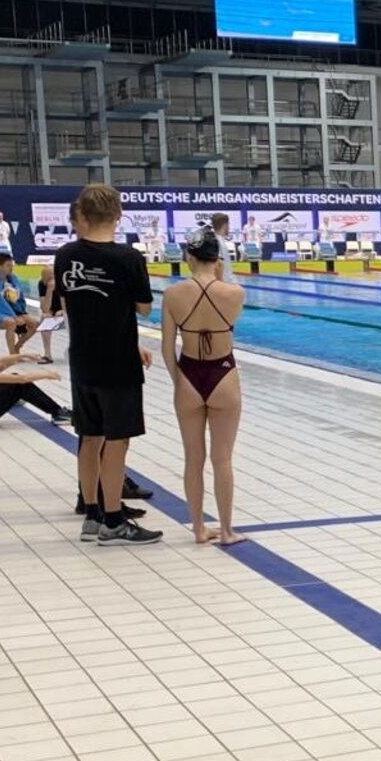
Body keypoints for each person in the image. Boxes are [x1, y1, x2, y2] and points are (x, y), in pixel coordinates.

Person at [56, 184, 161, 546]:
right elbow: (144, 308)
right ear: (118, 216)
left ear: (81, 216)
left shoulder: (65, 255)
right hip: (118, 363)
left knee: (89, 437)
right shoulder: (129, 258)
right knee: (117, 441)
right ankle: (114, 521)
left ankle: (91, 515)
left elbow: (67, 304)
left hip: (83, 361)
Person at [161, 228, 246, 546]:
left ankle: (198, 528)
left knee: (192, 458)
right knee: (222, 459)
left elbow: (167, 347)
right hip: (223, 375)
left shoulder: (173, 294)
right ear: (218, 259)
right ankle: (226, 531)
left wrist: (178, 381)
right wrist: (221, 274)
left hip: (189, 375)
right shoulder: (235, 294)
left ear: (188, 257)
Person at [0, 253, 40, 354]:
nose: (11, 268)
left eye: (12, 265)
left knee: (35, 324)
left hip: (14, 311)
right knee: (11, 323)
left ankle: (17, 346)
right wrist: (14, 317)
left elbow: (20, 297)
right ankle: (12, 353)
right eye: (8, 265)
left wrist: (22, 313)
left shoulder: (13, 278)